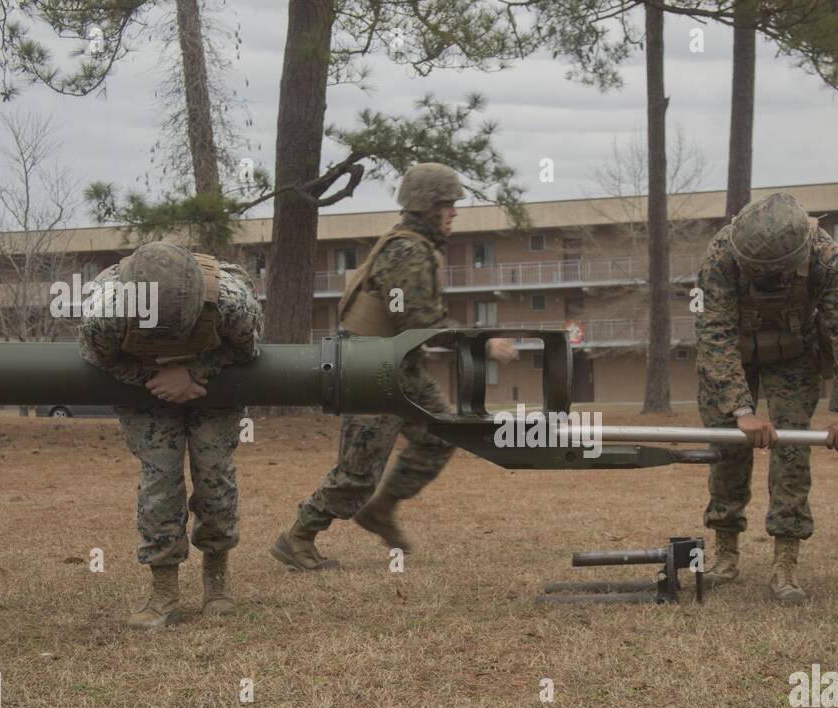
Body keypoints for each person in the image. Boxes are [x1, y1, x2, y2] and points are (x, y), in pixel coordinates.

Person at [271, 163, 516, 571]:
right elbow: (419, 324)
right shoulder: (408, 251)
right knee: (357, 474)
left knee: (440, 435)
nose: (453, 212)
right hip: (370, 370)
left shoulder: (418, 248)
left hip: (395, 366)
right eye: (446, 205)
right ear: (425, 207)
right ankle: (298, 536)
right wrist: (483, 343)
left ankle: (380, 511)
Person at [695, 192, 838, 603]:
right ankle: (726, 552)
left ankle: (785, 561)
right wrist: (741, 409)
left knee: (792, 448)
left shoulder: (828, 258)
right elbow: (713, 332)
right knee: (727, 446)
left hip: (795, 353)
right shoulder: (722, 252)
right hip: (733, 353)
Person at [79, 241, 263, 627]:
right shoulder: (104, 311)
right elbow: (102, 360)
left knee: (214, 473)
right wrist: (157, 379)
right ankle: (164, 590)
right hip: (145, 386)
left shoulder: (232, 301)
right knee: (160, 478)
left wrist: (194, 374)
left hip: (213, 383)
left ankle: (217, 581)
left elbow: (246, 352)